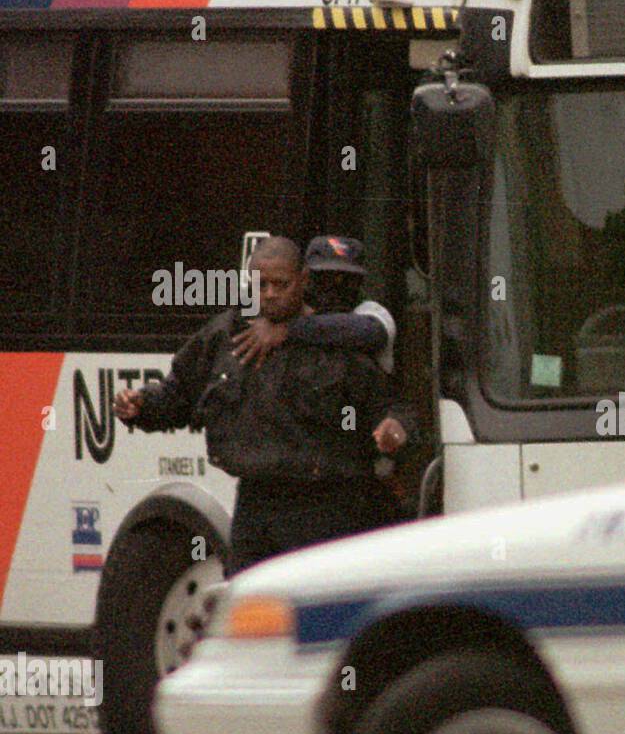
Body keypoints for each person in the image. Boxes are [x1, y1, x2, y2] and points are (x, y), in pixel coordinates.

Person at [112, 237, 403, 575]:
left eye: (281, 284)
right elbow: (178, 396)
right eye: (260, 284)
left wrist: (393, 427)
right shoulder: (227, 334)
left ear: (303, 280)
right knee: (247, 610)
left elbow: (392, 407)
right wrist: (141, 405)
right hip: (256, 504)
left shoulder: (337, 339)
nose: (269, 294)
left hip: (327, 506)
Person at [230, 236, 409, 458]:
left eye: (346, 279)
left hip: (352, 418)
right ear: (305, 278)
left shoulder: (370, 311)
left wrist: (288, 329)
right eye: (325, 278)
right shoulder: (287, 310)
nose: (335, 286)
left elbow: (368, 332)